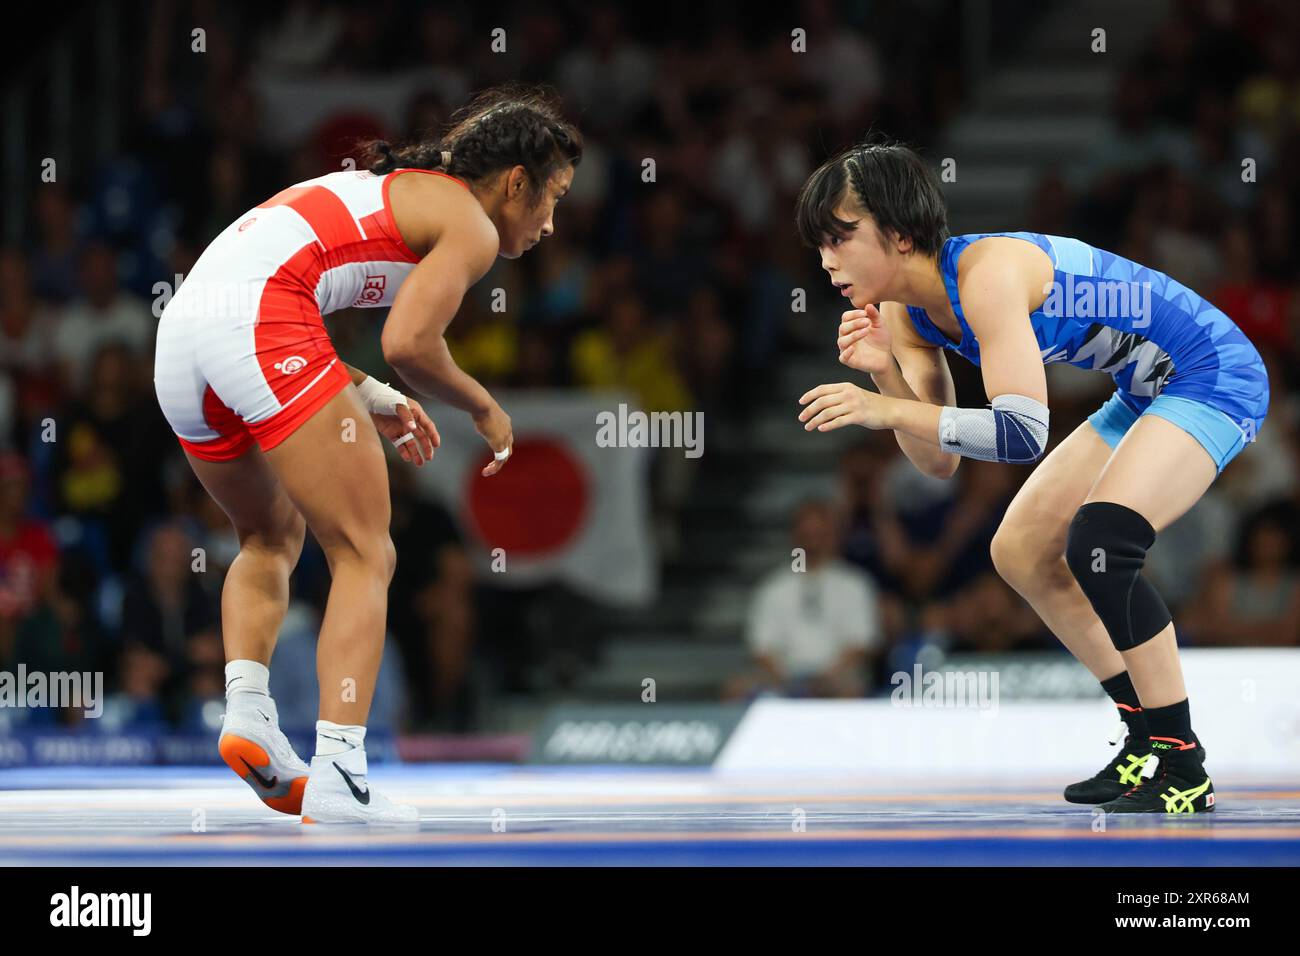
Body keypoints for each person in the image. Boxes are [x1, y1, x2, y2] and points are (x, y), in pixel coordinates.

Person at [794, 137, 1270, 814]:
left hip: (1213, 372)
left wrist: (883, 405)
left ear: (900, 235)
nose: (825, 261)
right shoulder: (906, 315)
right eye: (820, 245)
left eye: (839, 238)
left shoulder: (986, 276)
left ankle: (1183, 763)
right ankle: (1144, 737)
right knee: (1018, 551)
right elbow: (939, 461)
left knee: (1103, 543)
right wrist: (882, 372)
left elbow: (1021, 433)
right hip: (1144, 390)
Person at [153, 87, 581, 823]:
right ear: (517, 181)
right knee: (364, 552)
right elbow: (408, 343)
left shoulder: (385, 193)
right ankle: (341, 772)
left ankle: (249, 711)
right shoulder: (469, 225)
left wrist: (371, 396)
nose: (550, 223)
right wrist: (483, 405)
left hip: (184, 336)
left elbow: (258, 294)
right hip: (257, 323)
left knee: (268, 537)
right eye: (553, 198)